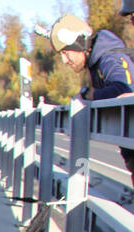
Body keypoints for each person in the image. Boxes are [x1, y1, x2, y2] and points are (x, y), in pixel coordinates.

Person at [50, 14, 134, 189]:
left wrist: (89, 95)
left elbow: (125, 90)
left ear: (79, 44)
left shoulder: (110, 59)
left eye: (65, 52)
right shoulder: (99, 63)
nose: (64, 61)